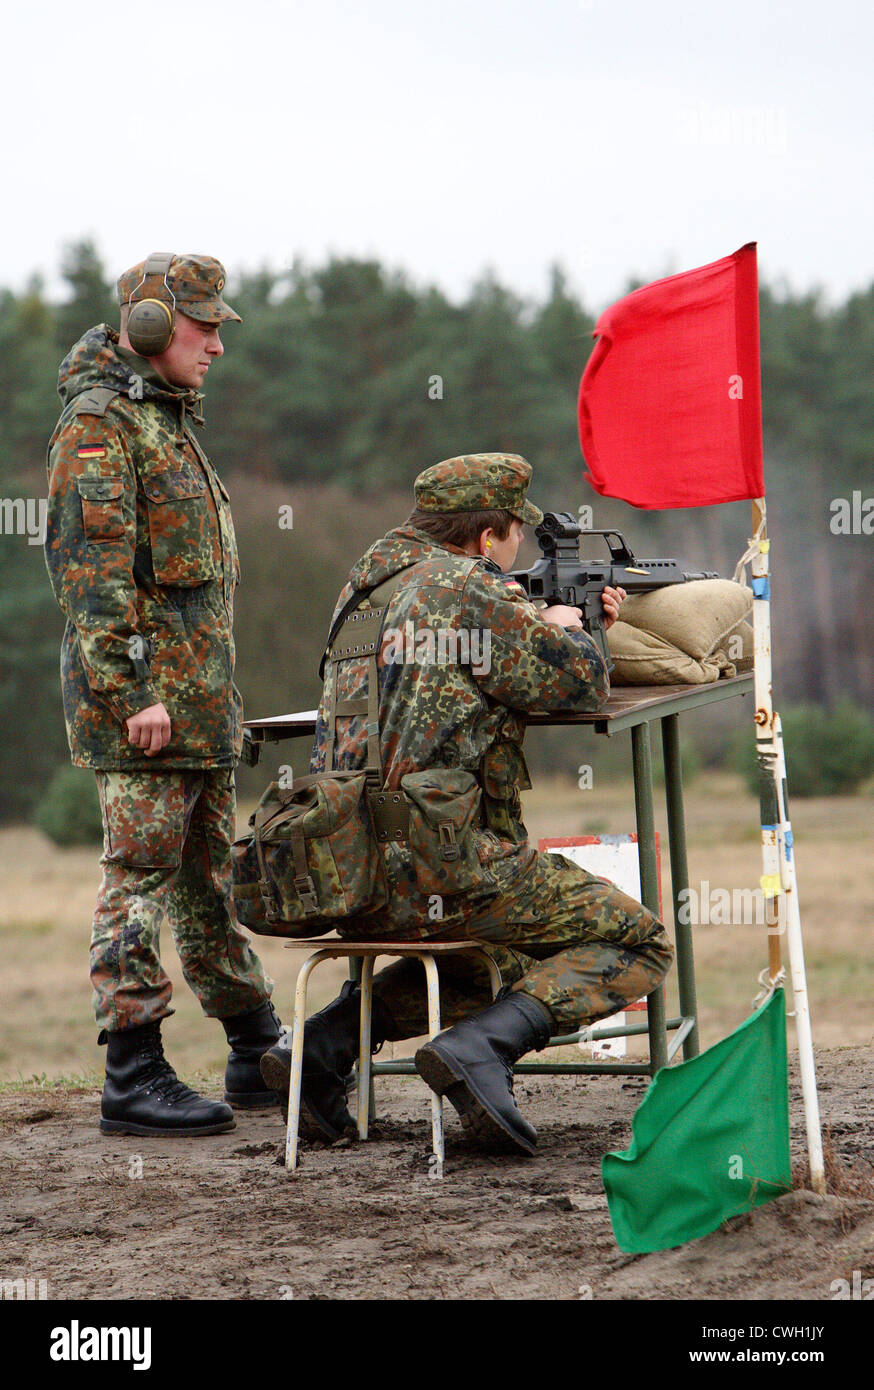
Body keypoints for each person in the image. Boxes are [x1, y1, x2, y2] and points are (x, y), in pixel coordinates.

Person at [260, 453, 673, 1155]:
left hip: (347, 874)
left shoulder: (363, 592)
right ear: (487, 537)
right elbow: (576, 686)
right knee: (638, 940)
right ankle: (481, 1050)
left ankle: (322, 1047)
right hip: (447, 869)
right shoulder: (468, 589)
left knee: (499, 962)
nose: (515, 549)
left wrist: (529, 616)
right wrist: (578, 629)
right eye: (514, 534)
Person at [44, 253, 281, 1137]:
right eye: (204, 325)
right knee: (138, 880)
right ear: (149, 328)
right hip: (145, 711)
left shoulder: (165, 421)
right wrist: (136, 689)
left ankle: (257, 1049)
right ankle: (132, 1074)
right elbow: (93, 576)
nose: (218, 343)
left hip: (197, 711)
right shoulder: (101, 428)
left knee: (207, 888)